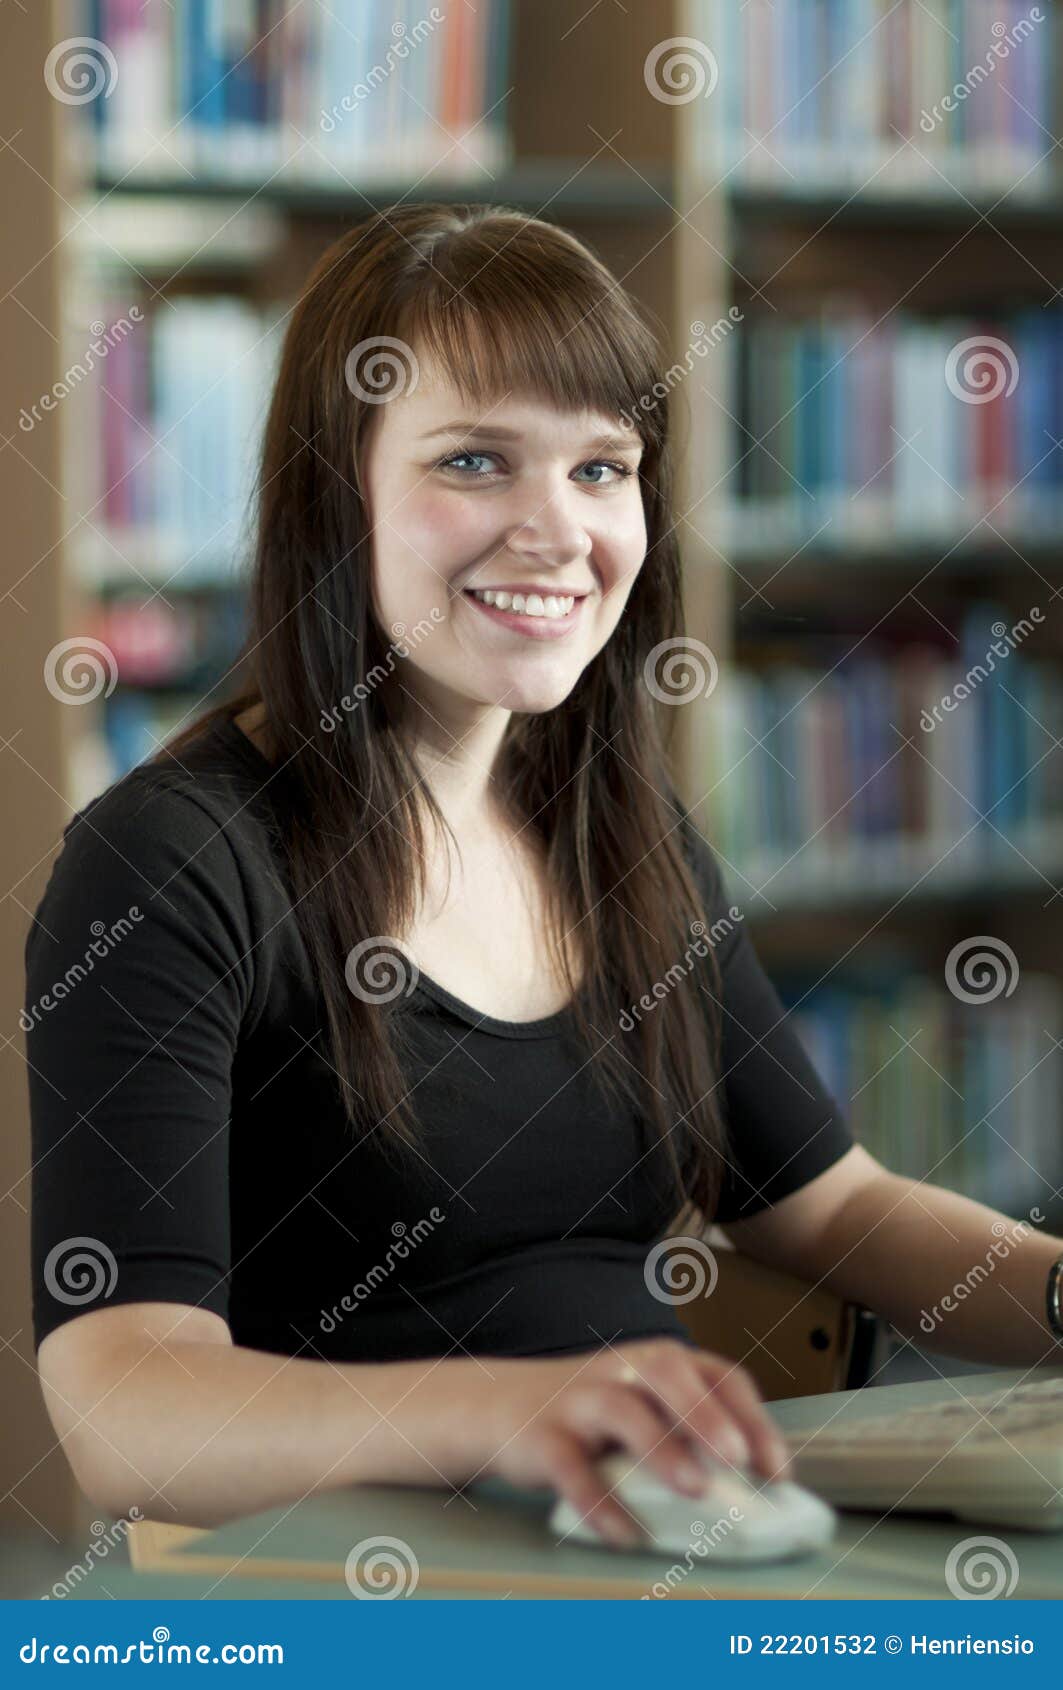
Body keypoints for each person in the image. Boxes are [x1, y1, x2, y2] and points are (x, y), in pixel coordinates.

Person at [26, 204, 1063, 1552]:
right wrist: (512, 1412)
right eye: (475, 461)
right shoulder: (168, 863)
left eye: (601, 467)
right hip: (360, 1588)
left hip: (648, 1547)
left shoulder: (618, 829)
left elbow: (834, 1204)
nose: (556, 530)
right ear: (333, 495)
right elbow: (123, 1397)